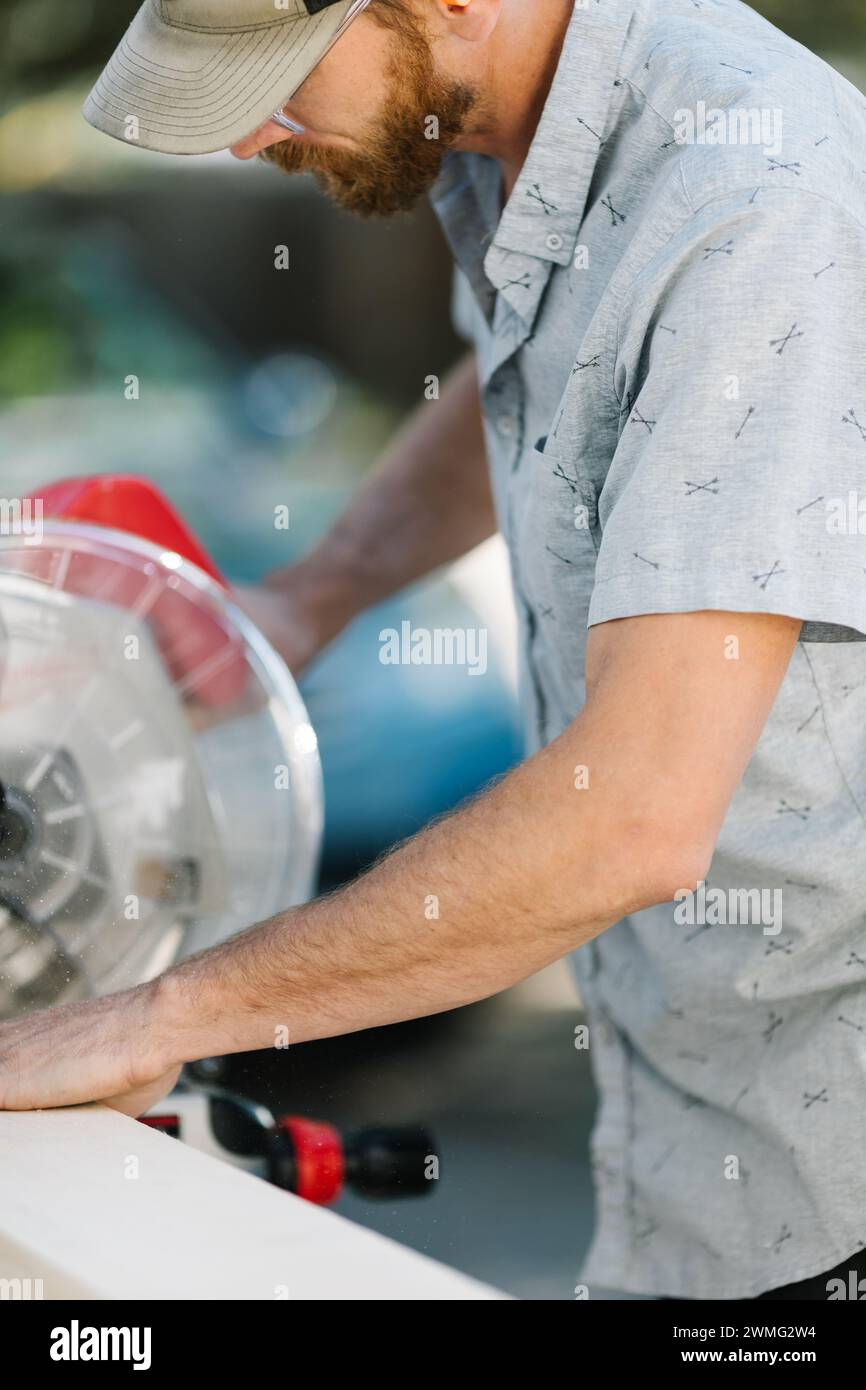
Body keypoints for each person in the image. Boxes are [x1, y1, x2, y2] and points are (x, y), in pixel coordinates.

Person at [3, 0, 866, 1302]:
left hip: (824, 1168)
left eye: (281, 78)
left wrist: (148, 1015)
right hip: (688, 1132)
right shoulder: (516, 133)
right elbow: (531, 378)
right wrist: (306, 599)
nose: (246, 136)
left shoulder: (754, 212)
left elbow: (630, 819)